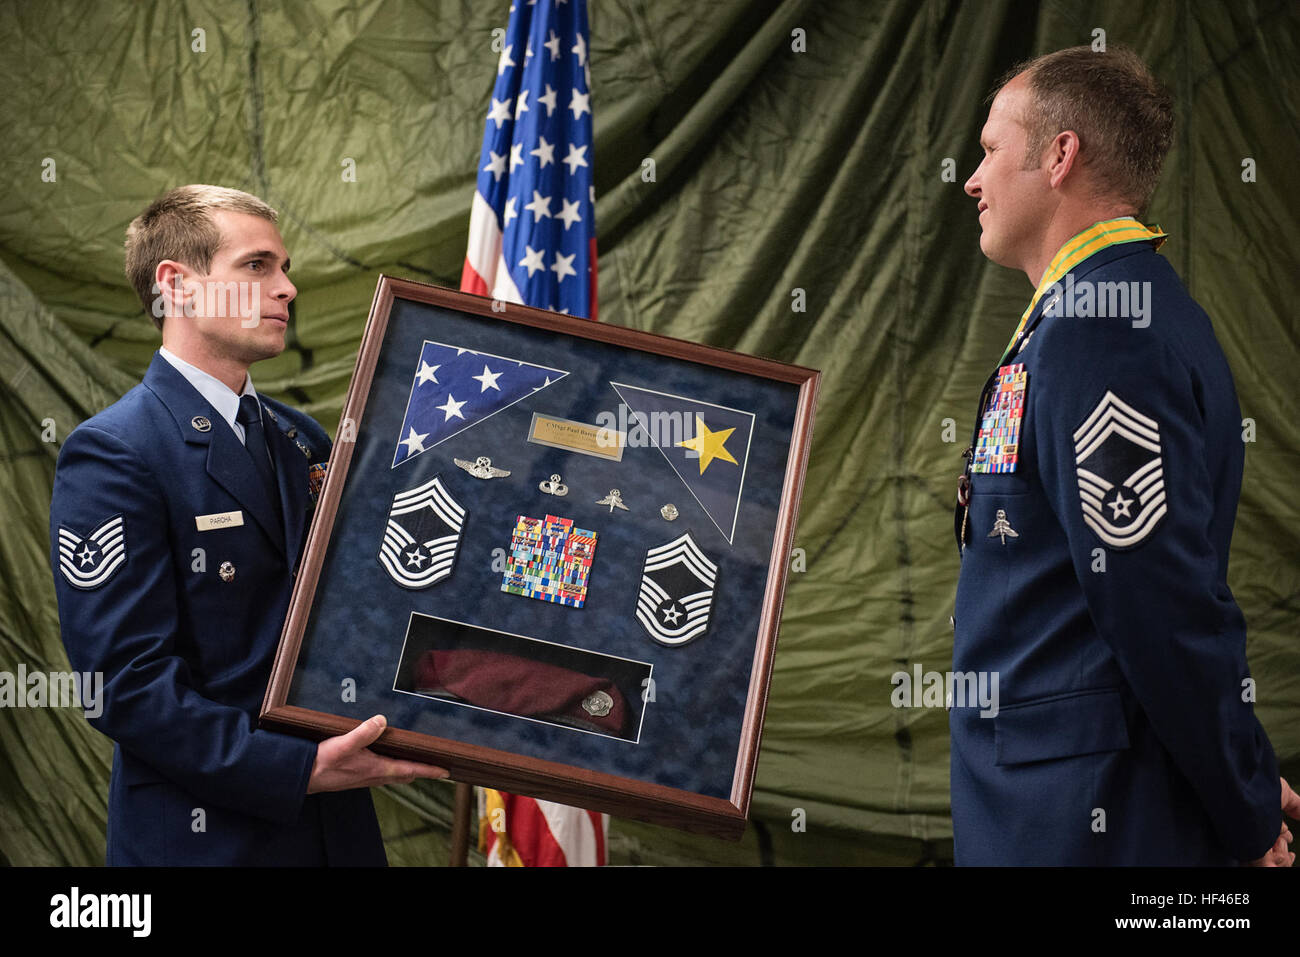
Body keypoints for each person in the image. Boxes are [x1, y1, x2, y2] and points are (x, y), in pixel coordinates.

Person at [951, 46, 1297, 865]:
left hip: (1088, 820)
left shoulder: (1103, 331)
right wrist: (1244, 775)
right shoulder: (1092, 315)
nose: (971, 179)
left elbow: (1160, 604)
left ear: (1060, 155)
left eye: (992, 149)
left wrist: (1244, 803)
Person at [49, 185, 446, 865]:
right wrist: (294, 769)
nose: (287, 288)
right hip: (207, 837)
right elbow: (123, 683)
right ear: (177, 285)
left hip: (339, 829)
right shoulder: (115, 452)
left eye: (284, 267)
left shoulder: (301, 438)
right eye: (257, 266)